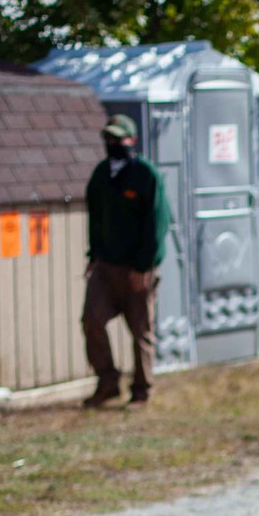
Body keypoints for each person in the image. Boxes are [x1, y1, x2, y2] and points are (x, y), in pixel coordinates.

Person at [83, 115, 171, 408]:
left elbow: (157, 224)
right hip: (106, 266)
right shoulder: (101, 175)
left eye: (118, 139)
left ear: (132, 140)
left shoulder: (146, 175)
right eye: (108, 138)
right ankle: (107, 382)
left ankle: (142, 390)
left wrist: (144, 266)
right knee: (91, 320)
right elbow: (96, 219)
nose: (113, 144)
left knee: (140, 332)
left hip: (137, 270)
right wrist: (93, 255)